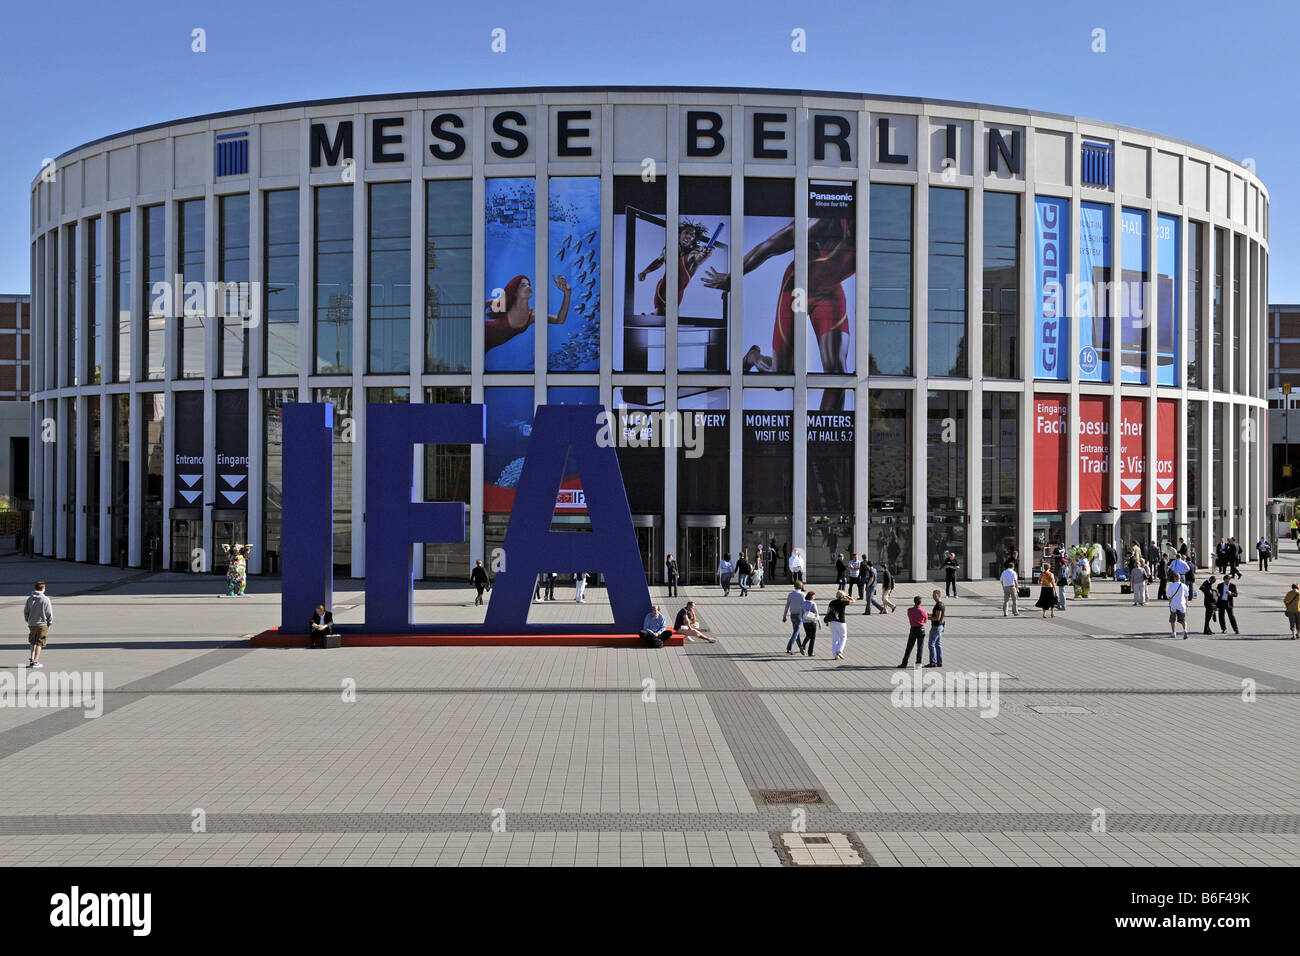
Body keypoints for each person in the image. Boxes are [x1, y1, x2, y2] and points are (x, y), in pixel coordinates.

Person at [484, 274, 572, 352]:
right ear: (515, 292)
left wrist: (567, 294)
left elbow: (559, 320)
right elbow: (481, 307)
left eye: (529, 285)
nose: (528, 287)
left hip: (486, 347)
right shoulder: (503, 304)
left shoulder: (533, 315)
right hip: (481, 334)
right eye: (523, 285)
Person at [23, 581, 52, 669]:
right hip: (42, 624)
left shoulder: (29, 599)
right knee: (40, 642)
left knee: (32, 641)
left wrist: (28, 620)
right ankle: (36, 661)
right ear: (43, 588)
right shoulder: (45, 599)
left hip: (31, 623)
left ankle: (31, 659)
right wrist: (49, 622)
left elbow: (26, 611)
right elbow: (49, 612)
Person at [899, 596, 928, 668]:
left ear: (914, 602)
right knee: (920, 647)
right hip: (921, 629)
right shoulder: (923, 612)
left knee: (909, 647)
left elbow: (910, 617)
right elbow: (925, 621)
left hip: (913, 629)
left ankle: (904, 663)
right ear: (921, 602)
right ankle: (918, 664)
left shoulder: (909, 610)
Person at [826, 589, 853, 660]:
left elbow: (828, 611)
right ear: (843, 596)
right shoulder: (843, 602)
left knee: (835, 639)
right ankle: (839, 651)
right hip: (841, 622)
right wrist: (847, 596)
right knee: (844, 637)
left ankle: (835, 655)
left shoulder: (832, 602)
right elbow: (853, 601)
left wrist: (827, 621)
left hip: (832, 622)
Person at [783, 580, 807, 654]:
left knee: (796, 632)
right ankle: (789, 647)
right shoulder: (802, 595)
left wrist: (784, 615)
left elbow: (787, 606)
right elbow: (804, 605)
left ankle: (800, 648)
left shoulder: (790, 594)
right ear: (801, 586)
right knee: (796, 632)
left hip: (792, 615)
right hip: (799, 615)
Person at [1167, 573, 1190, 640]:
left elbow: (1169, 595)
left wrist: (1170, 602)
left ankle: (1174, 633)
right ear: (1180, 578)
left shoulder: (1171, 585)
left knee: (1173, 619)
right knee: (1183, 619)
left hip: (1173, 604)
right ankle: (1185, 630)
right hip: (1182, 604)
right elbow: (1186, 596)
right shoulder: (1184, 585)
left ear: (1174, 578)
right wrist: (1186, 603)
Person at [926, 589, 946, 668]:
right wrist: (929, 614)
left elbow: (937, 617)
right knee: (938, 645)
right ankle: (939, 662)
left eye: (935, 596)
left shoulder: (939, 605)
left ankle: (933, 662)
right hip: (940, 626)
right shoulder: (941, 604)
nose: (933, 597)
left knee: (931, 644)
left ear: (939, 596)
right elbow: (936, 615)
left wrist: (927, 618)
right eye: (933, 595)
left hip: (936, 627)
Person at [800, 590, 820, 657]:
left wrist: (802, 619)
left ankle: (803, 645)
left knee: (808, 635)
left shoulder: (803, 603)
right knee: (813, 637)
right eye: (814, 596)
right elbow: (817, 614)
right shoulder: (813, 604)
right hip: (812, 622)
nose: (815, 597)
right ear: (812, 597)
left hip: (805, 622)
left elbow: (801, 612)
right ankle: (810, 652)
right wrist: (819, 623)